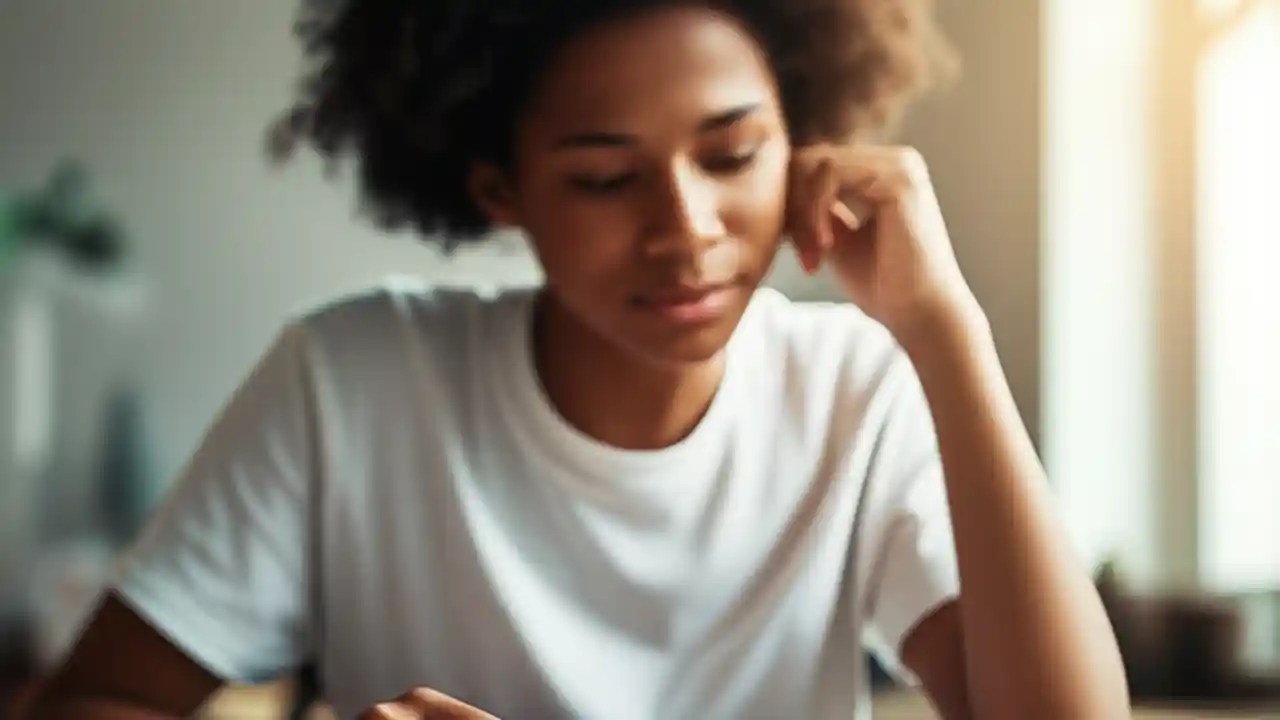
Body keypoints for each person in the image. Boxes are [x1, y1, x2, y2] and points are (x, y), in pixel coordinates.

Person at [26, 1, 1129, 718]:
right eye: (606, 179)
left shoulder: (852, 390)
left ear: (802, 138)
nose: (685, 226)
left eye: (733, 153)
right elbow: (95, 702)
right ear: (502, 193)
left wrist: (943, 325)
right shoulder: (351, 382)